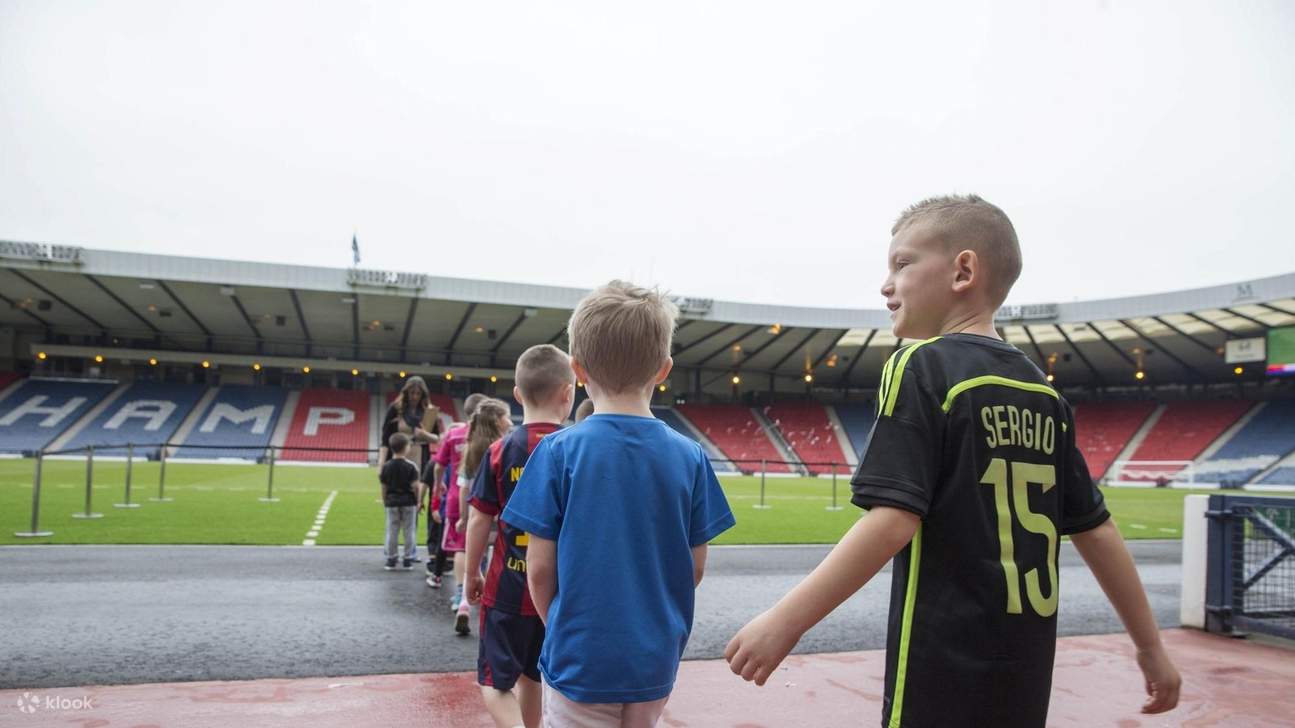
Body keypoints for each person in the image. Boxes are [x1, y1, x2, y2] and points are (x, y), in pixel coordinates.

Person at [724, 195, 1181, 727]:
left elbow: (893, 519)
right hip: (1026, 677)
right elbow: (1097, 531)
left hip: (941, 671)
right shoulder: (1044, 394)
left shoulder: (920, 366)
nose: (885, 283)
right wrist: (1150, 647)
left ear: (963, 270)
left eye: (902, 263)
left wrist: (786, 621)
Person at [503, 281, 735, 727]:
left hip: (581, 655)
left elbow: (538, 568)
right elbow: (695, 567)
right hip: (654, 655)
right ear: (663, 369)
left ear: (578, 369)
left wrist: (561, 623)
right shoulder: (690, 456)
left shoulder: (557, 452)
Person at [464, 344, 576, 728]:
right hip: (559, 589)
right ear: (568, 393)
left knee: (494, 682)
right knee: (533, 676)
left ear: (516, 395)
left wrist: (469, 574)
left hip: (508, 587)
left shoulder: (501, 449)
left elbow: (479, 518)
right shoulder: (576, 448)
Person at [450, 398, 512, 635]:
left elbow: (464, 488)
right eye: (506, 416)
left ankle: (464, 606)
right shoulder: (505, 448)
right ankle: (495, 612)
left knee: (473, 562)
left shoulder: (472, 448)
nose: (509, 421)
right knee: (498, 565)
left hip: (478, 517)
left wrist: (464, 517)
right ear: (497, 420)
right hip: (500, 518)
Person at [429, 392, 489, 591]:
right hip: (485, 498)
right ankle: (480, 589)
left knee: (461, 548)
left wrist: (438, 485)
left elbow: (438, 465)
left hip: (457, 497)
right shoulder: (491, 437)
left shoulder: (454, 434)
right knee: (483, 545)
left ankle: (460, 593)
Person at [379, 432, 423, 571]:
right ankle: (408, 559)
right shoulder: (411, 466)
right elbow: (416, 486)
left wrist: (385, 500)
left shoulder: (386, 466)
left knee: (392, 530)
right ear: (406, 447)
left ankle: (391, 559)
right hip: (408, 501)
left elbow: (384, 486)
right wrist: (418, 501)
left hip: (392, 501)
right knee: (409, 531)